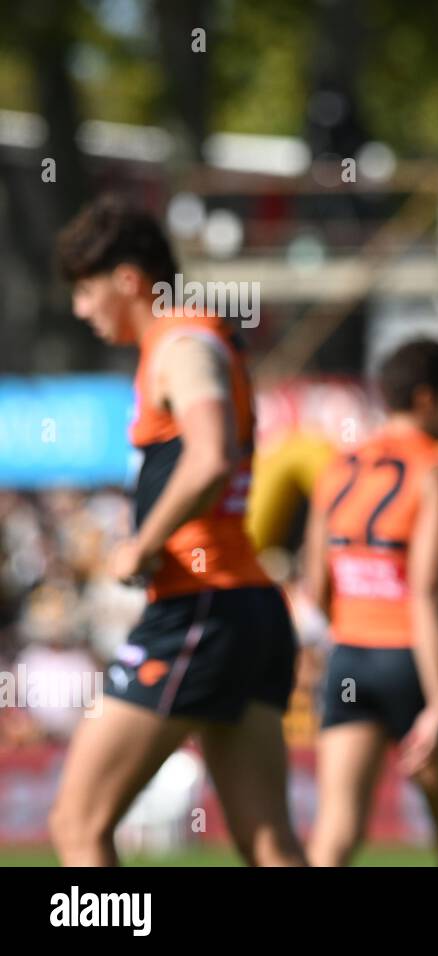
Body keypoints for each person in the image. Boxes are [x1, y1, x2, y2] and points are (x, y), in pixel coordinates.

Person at [48, 195, 303, 866]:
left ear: (128, 281)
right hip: (244, 605)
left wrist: (144, 541)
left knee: (77, 825)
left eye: (85, 289)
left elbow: (211, 455)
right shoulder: (194, 337)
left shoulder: (180, 342)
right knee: (268, 841)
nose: (81, 309)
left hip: (201, 606)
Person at [303, 338, 438, 866]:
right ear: (428, 398)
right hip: (415, 663)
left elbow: (316, 584)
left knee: (334, 833)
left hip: (350, 656)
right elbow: (423, 589)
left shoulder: (338, 466)